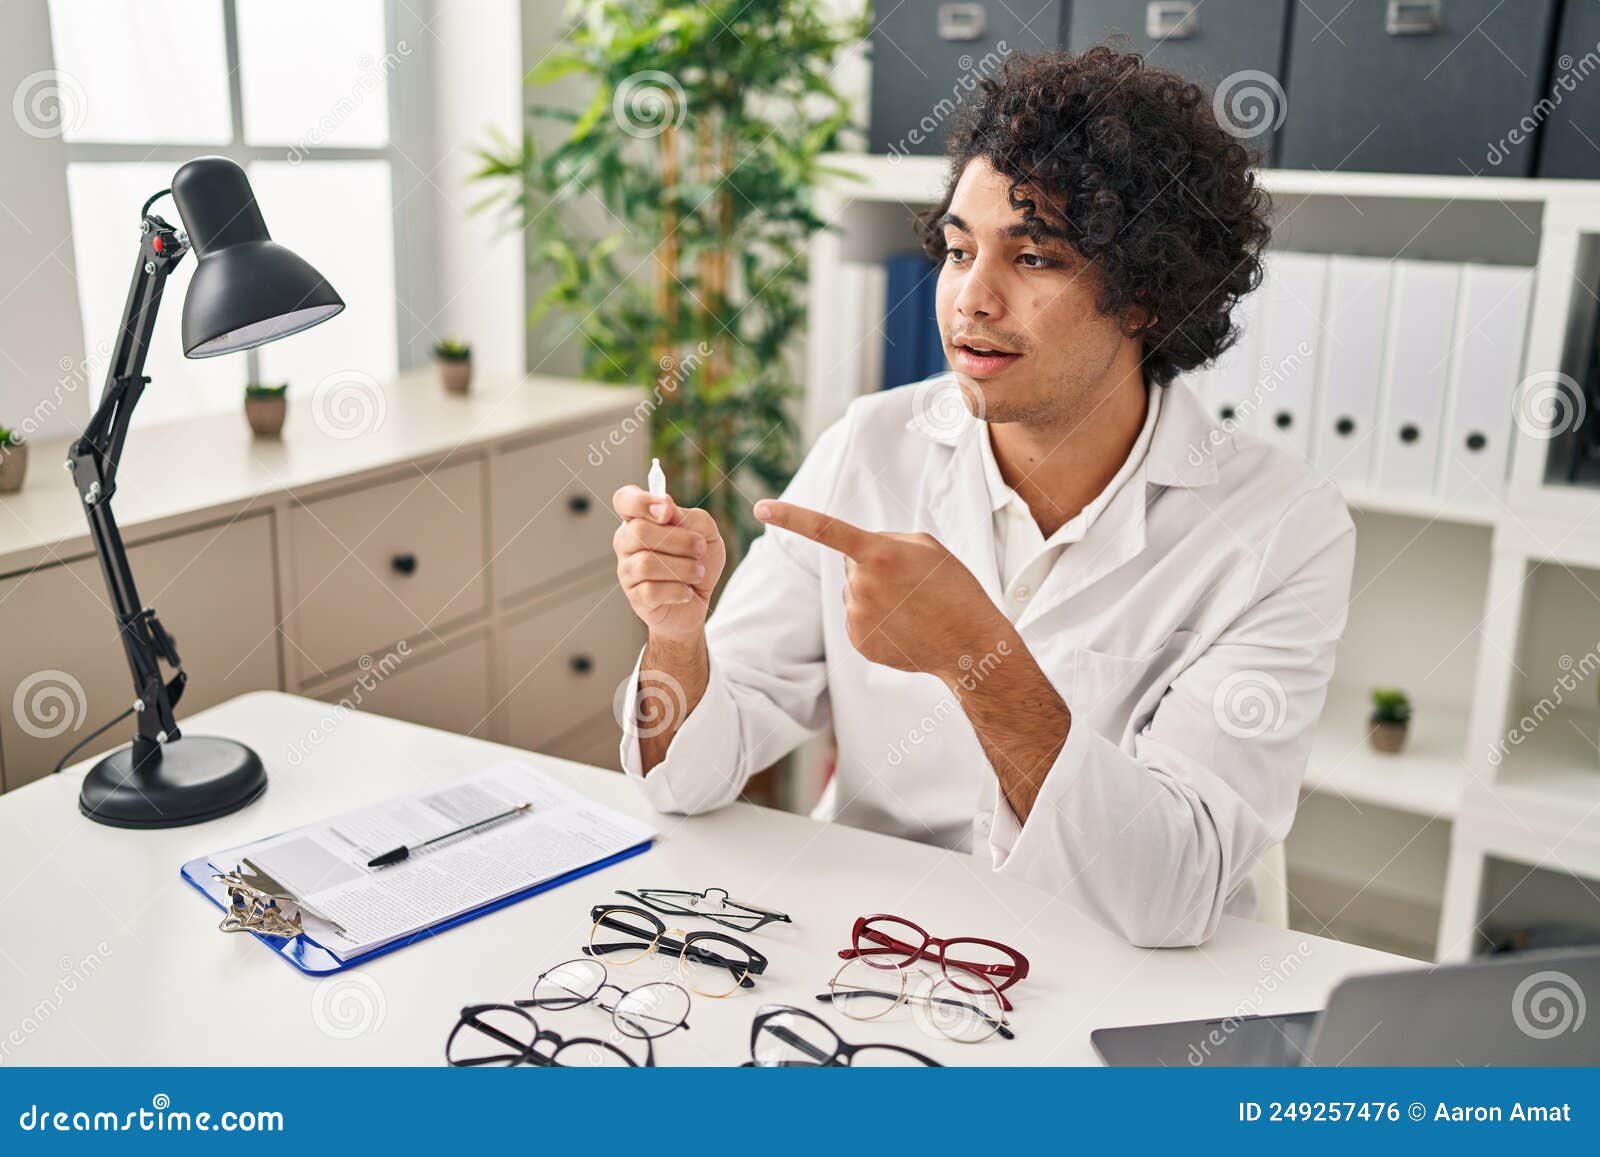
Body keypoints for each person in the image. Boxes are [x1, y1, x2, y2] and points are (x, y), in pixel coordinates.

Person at [608, 47, 1354, 947]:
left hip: (1106, 974)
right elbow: (686, 778)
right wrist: (678, 639)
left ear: (1147, 295)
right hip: (874, 953)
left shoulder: (1280, 527)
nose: (972, 300)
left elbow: (1174, 891)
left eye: (1033, 257)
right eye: (959, 251)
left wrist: (978, 658)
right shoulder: (870, 448)